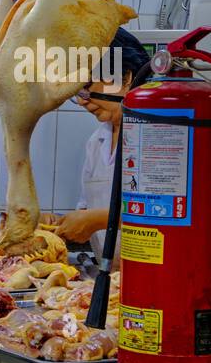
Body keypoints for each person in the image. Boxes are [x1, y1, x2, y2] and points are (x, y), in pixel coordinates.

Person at [49, 28, 151, 260]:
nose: (82, 101)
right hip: (109, 275)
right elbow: (87, 212)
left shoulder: (161, 139)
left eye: (86, 86)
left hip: (151, 273)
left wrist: (97, 220)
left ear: (125, 77)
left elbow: (167, 212)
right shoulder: (96, 142)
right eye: (76, 92)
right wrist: (59, 224)